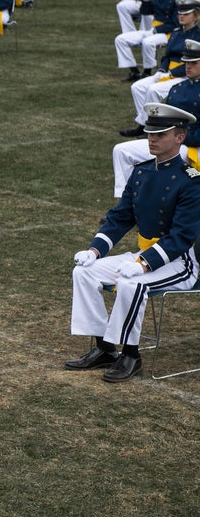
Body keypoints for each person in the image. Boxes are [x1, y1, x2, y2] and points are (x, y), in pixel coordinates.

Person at [66, 103, 200, 382]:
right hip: (144, 255)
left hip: (179, 262)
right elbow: (120, 217)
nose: (152, 139)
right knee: (84, 272)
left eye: (161, 134)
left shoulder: (192, 182)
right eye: (151, 133)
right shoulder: (140, 172)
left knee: (131, 283)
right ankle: (105, 348)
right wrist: (94, 250)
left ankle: (131, 355)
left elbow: (182, 236)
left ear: (180, 137)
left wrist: (143, 263)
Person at [112, 40, 200, 197]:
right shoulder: (177, 88)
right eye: (186, 62)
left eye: (193, 63)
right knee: (121, 151)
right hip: (173, 141)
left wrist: (181, 139)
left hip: (193, 145)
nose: (188, 66)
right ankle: (125, 205)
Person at [123, 0, 200, 135]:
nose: (181, 16)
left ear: (195, 16)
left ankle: (150, 128)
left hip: (184, 74)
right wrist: (161, 69)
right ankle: (144, 123)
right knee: (137, 87)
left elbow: (194, 62)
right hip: (168, 72)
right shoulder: (176, 33)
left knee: (153, 90)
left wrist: (172, 73)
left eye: (186, 14)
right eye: (180, 13)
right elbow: (167, 56)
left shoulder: (198, 36)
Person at [114, 0, 178, 83]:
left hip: (168, 34)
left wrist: (156, 30)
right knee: (120, 39)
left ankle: (147, 73)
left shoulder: (177, 0)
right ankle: (134, 71)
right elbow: (144, 11)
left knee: (148, 42)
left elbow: (175, 24)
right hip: (153, 30)